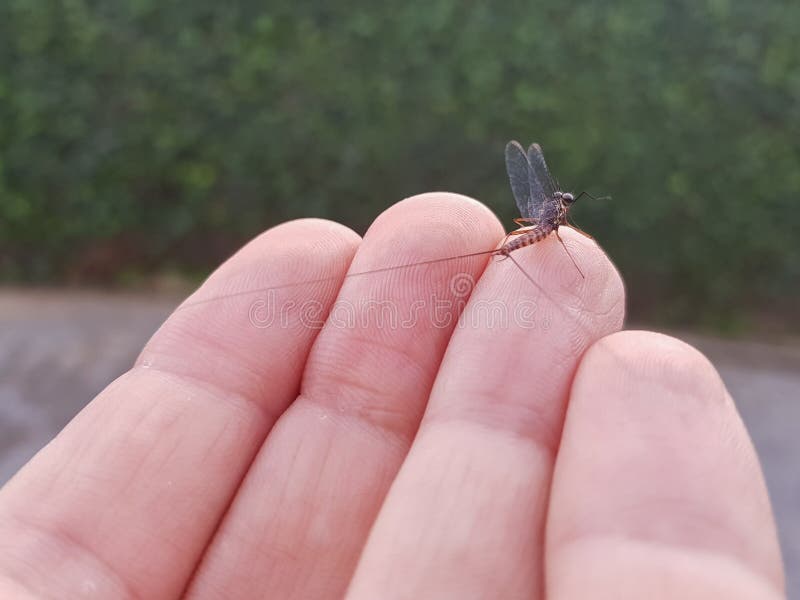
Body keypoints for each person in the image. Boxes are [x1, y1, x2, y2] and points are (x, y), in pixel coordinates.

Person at [0, 194, 785, 599]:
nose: (560, 212)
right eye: (558, 212)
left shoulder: (555, 231)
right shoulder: (541, 232)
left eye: (560, 211)